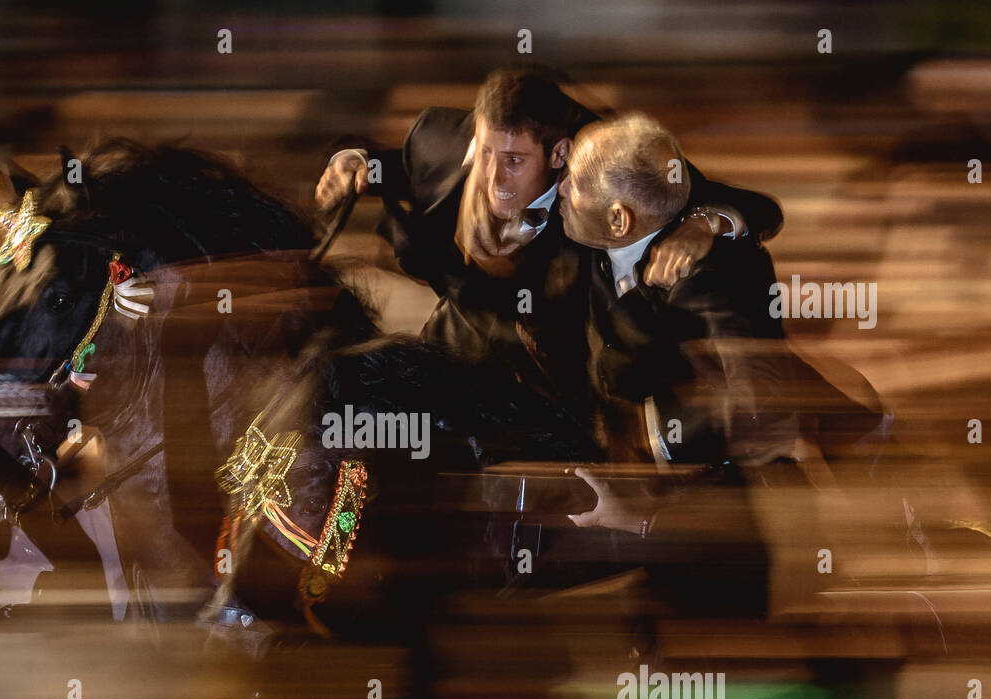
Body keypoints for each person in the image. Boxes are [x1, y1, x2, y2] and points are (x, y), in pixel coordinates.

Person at [315, 68, 784, 455]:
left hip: (565, 363)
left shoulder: (596, 161)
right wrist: (354, 161)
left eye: (515, 161)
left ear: (559, 154)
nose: (493, 179)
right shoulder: (444, 139)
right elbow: (396, 168)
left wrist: (704, 223)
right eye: (485, 154)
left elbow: (705, 200)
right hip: (464, 323)